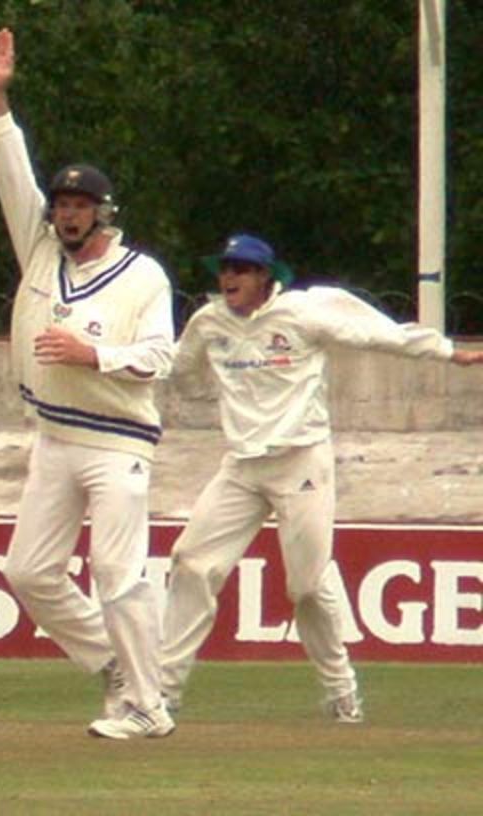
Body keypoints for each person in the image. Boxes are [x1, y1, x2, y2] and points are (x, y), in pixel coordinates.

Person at [160, 233, 483, 722]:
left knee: (307, 586)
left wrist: (446, 351)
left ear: (264, 276)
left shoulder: (304, 313)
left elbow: (377, 334)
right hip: (242, 465)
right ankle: (161, 692)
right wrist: (105, 364)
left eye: (241, 269)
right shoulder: (208, 322)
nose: (229, 278)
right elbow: (173, 367)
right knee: (191, 562)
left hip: (302, 461)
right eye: (225, 269)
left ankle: (340, 689)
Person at [0, 28, 177, 740]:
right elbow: (13, 178)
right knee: (29, 572)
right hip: (54, 437)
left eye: (79, 206)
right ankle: (115, 666)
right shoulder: (39, 250)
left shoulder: (142, 275)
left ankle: (150, 706)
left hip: (118, 442)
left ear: (102, 212)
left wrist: (92, 354)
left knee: (116, 570)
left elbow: (160, 357)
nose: (65, 214)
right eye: (60, 205)